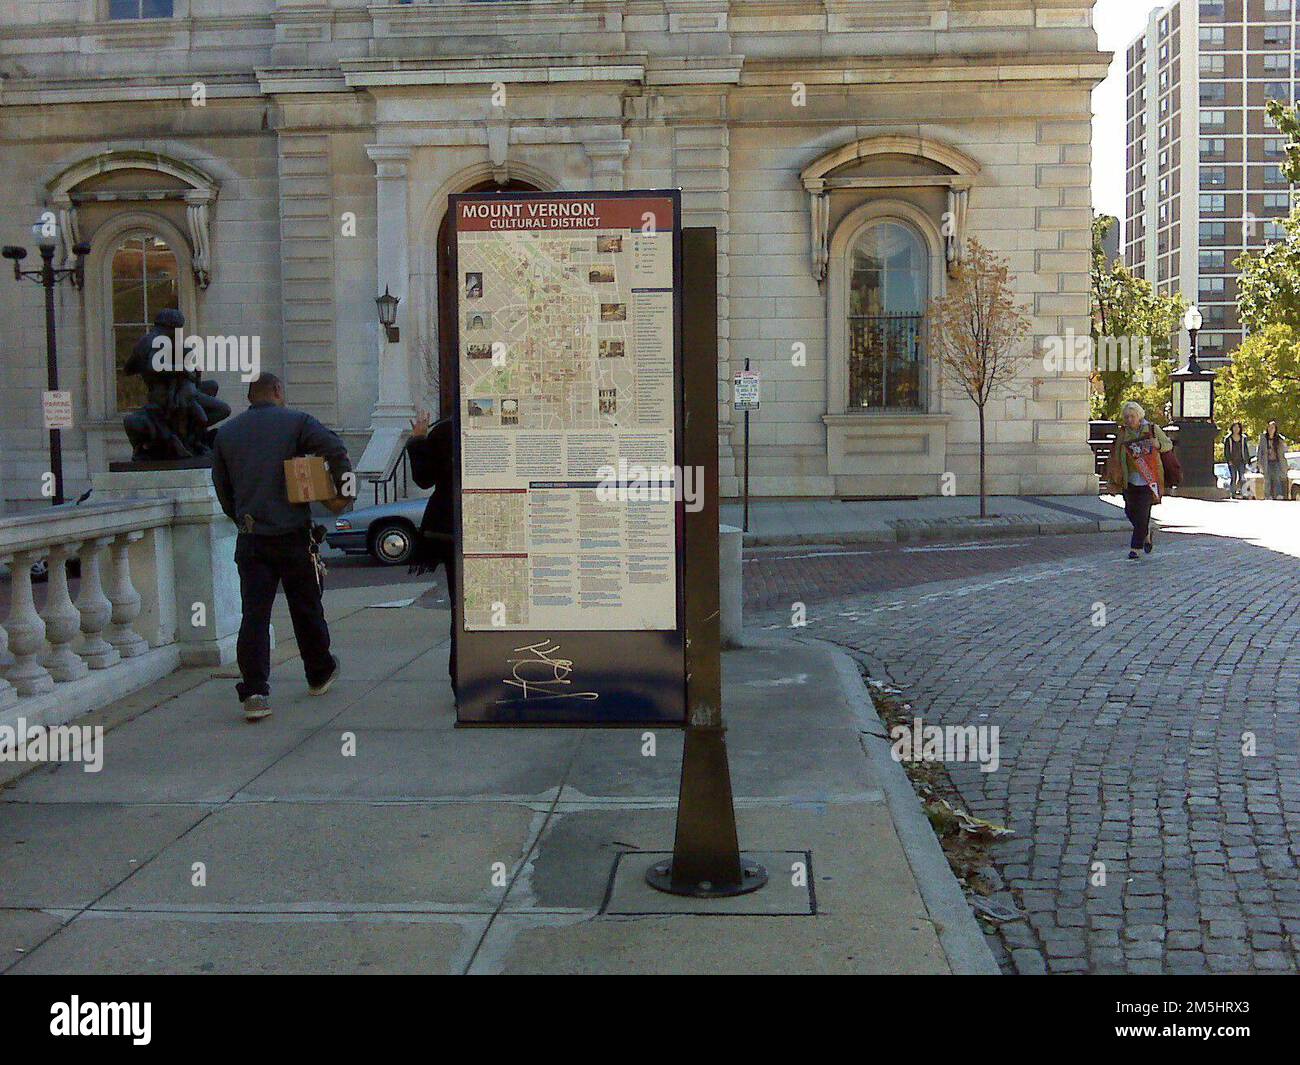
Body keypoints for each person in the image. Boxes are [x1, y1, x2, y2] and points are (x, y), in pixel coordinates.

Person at [211, 373, 351, 721]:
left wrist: (240, 517)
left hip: (252, 536)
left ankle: (255, 691)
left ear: (249, 397)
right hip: (292, 532)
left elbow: (222, 488)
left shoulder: (226, 433)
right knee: (306, 607)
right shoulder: (297, 422)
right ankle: (318, 672)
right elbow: (334, 448)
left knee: (254, 615)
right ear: (277, 390)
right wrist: (342, 492)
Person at [405, 409, 457, 696]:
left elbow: (424, 479)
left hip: (448, 528)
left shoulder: (444, 431)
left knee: (459, 607)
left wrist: (418, 441)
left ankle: (459, 679)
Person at [1107, 400, 1172, 560]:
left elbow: (1168, 444)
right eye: (1127, 417)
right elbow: (1115, 454)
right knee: (1130, 511)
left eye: (1132, 416)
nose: (1129, 420)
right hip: (1129, 479)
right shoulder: (1123, 433)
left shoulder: (1151, 429)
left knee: (1143, 514)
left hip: (1148, 481)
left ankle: (1135, 548)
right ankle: (1146, 533)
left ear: (1139, 416)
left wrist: (1157, 444)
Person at [1257, 420, 1289, 501]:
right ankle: (1268, 495)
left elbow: (1283, 452)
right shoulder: (1263, 438)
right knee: (1267, 479)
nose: (1271, 429)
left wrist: (1285, 466)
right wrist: (1259, 463)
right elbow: (1260, 451)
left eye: (1272, 428)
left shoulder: (1279, 439)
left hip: (1277, 461)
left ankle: (1278, 494)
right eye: (1269, 427)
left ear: (1275, 429)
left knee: (1277, 478)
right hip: (1266, 462)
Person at [1223, 421, 1253, 499]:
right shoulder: (1228, 439)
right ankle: (1232, 493)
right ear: (1232, 428)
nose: (1236, 429)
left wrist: (1248, 460)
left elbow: (1246, 450)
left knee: (1242, 477)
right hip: (1232, 461)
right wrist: (1228, 460)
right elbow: (1226, 451)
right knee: (1233, 476)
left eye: (1238, 427)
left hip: (1241, 461)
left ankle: (1243, 492)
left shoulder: (1243, 438)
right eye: (1234, 427)